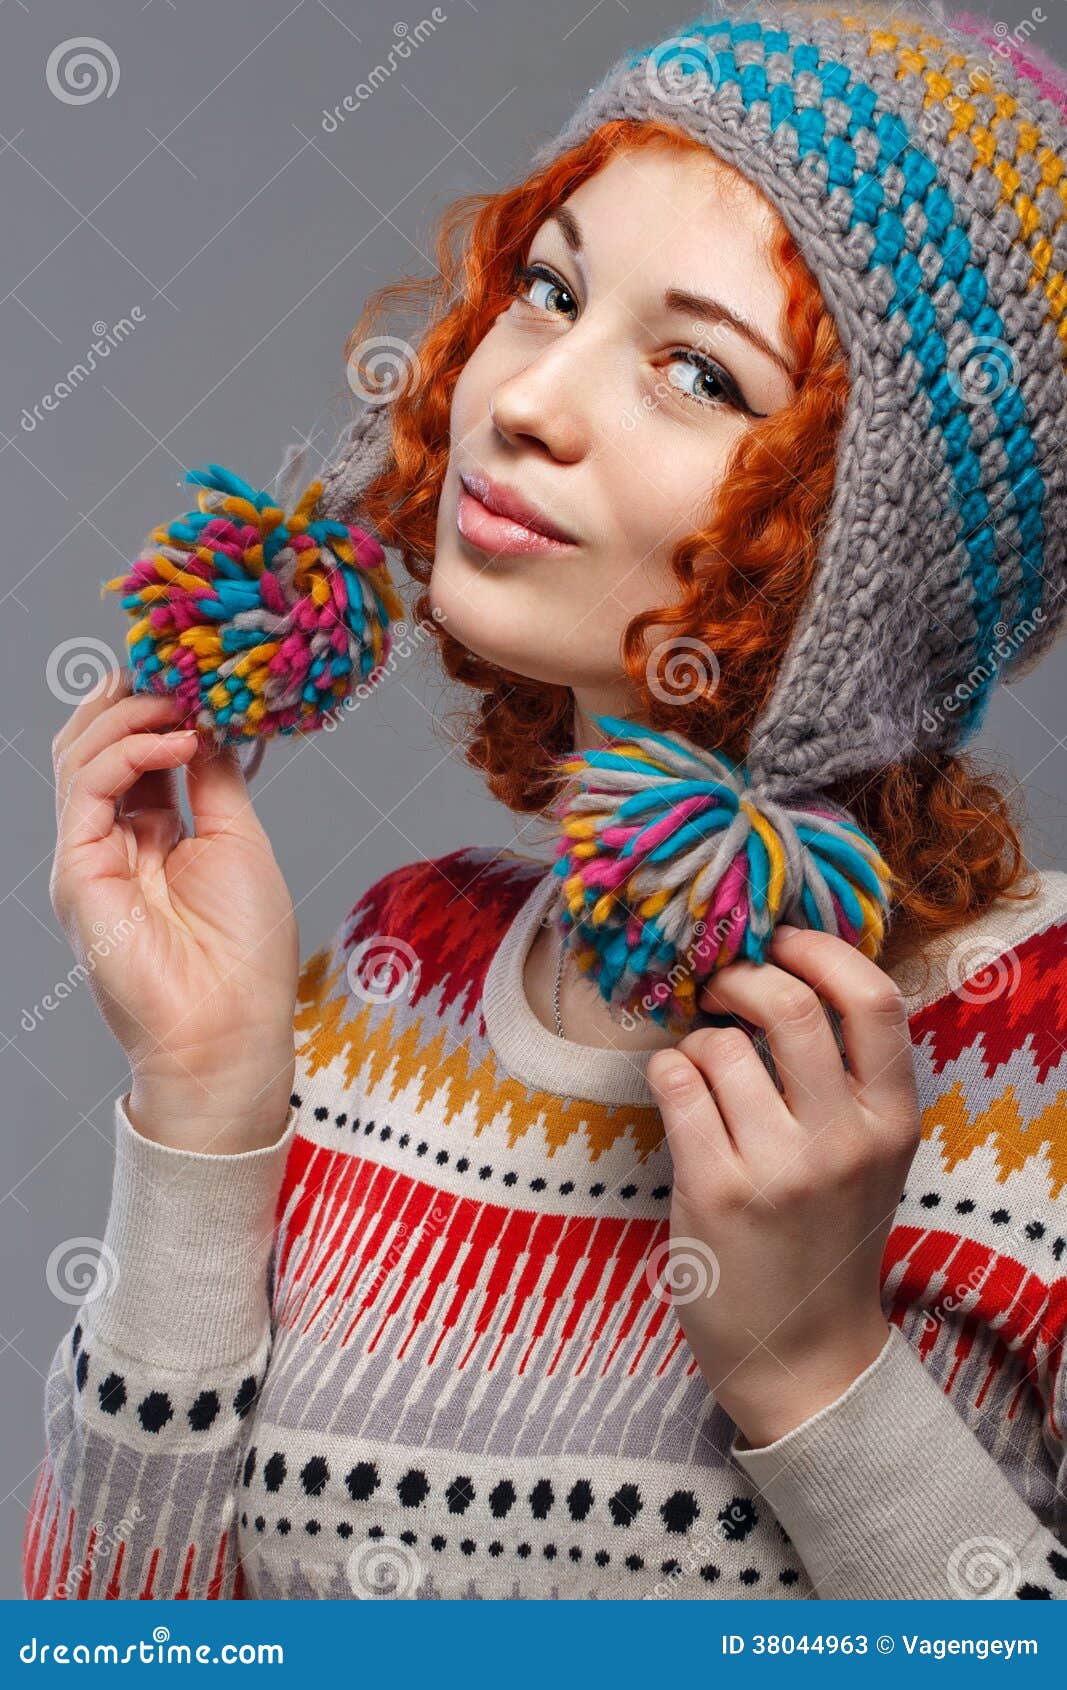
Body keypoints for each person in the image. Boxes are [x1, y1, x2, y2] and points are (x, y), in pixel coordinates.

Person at [24, 1, 1067, 1600]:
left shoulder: (1037, 1064)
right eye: (550, 289)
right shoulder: (395, 972)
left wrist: (812, 1374)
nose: (526, 399)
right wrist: (207, 1104)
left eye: (699, 374)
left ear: (885, 549)